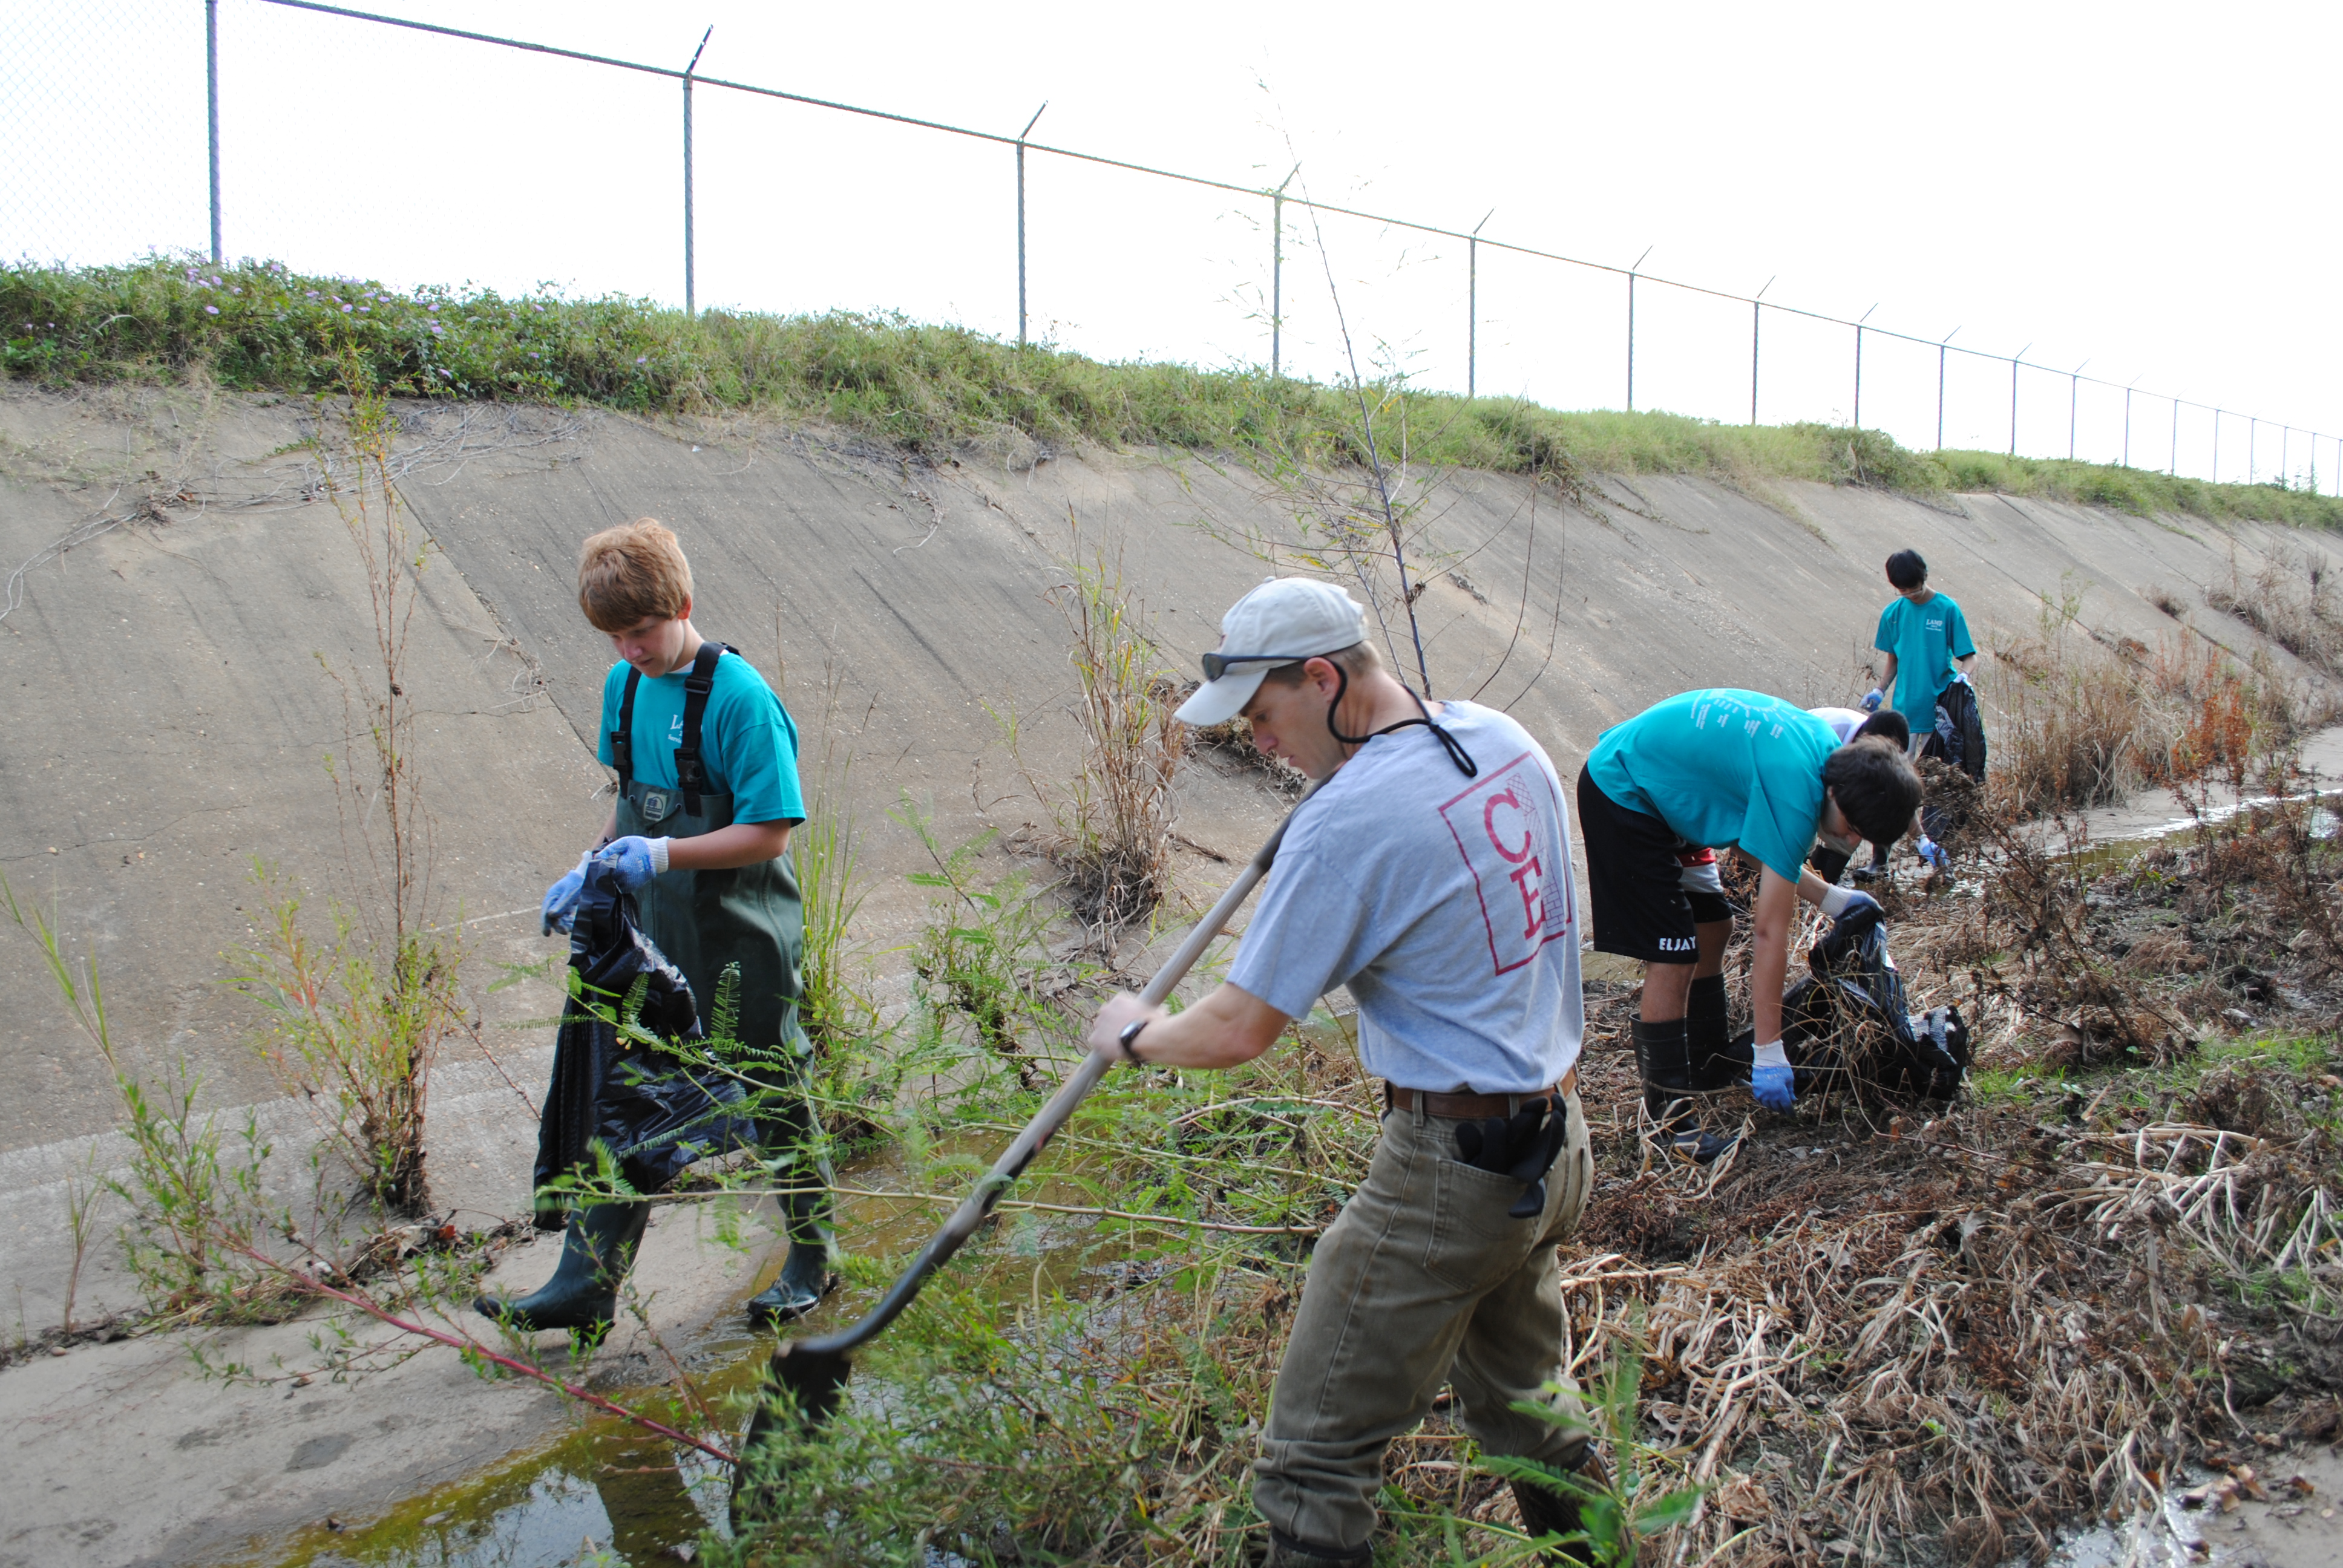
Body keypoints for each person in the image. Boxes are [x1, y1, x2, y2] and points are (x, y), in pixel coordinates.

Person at [1085, 577, 1607, 1567]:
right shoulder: (1501, 739)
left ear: (1323, 676)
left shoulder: (1345, 822)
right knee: (1535, 1418)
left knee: (1313, 1462)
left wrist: (1134, 1032)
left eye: (1264, 713)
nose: (1257, 740)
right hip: (1554, 1147)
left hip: (1448, 1176)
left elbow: (1239, 1028)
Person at [480, 519, 832, 1336]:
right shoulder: (624, 686)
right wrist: (597, 862)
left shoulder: (742, 700)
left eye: (641, 631)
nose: (630, 649)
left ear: (683, 603)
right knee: (623, 1092)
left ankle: (815, 1258)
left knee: (773, 1089)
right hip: (650, 933)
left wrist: (660, 855)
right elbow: (631, 800)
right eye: (614, 637)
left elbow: (772, 831)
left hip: (742, 934)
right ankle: (586, 1282)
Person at [1576, 690, 1922, 1153]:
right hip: (1626, 790)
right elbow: (1769, 932)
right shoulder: (1798, 788)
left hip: (1672, 798)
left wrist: (1835, 900)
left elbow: (1751, 843)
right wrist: (1769, 1050)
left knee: (1714, 927)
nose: (1851, 839)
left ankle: (1704, 1064)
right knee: (1675, 954)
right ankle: (1667, 1125)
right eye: (1855, 828)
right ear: (1837, 793)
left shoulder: (1826, 754)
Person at [1861, 549, 1976, 759]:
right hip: (1905, 710)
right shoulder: (1892, 614)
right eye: (1903, 590)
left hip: (1939, 709)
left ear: (1925, 576)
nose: (1910, 595)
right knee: (1901, 769)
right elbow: (1894, 660)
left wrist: (1964, 677)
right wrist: (1879, 690)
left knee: (1933, 770)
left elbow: (1969, 657)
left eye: (1914, 588)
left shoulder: (1947, 609)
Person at [1803, 707, 1941, 878]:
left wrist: (1922, 840)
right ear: (1868, 740)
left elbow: (1896, 796)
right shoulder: (1832, 731)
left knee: (1860, 820)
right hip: (1806, 775)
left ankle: (1825, 881)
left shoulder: (1874, 745)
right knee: (1804, 834)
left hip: (1836, 787)